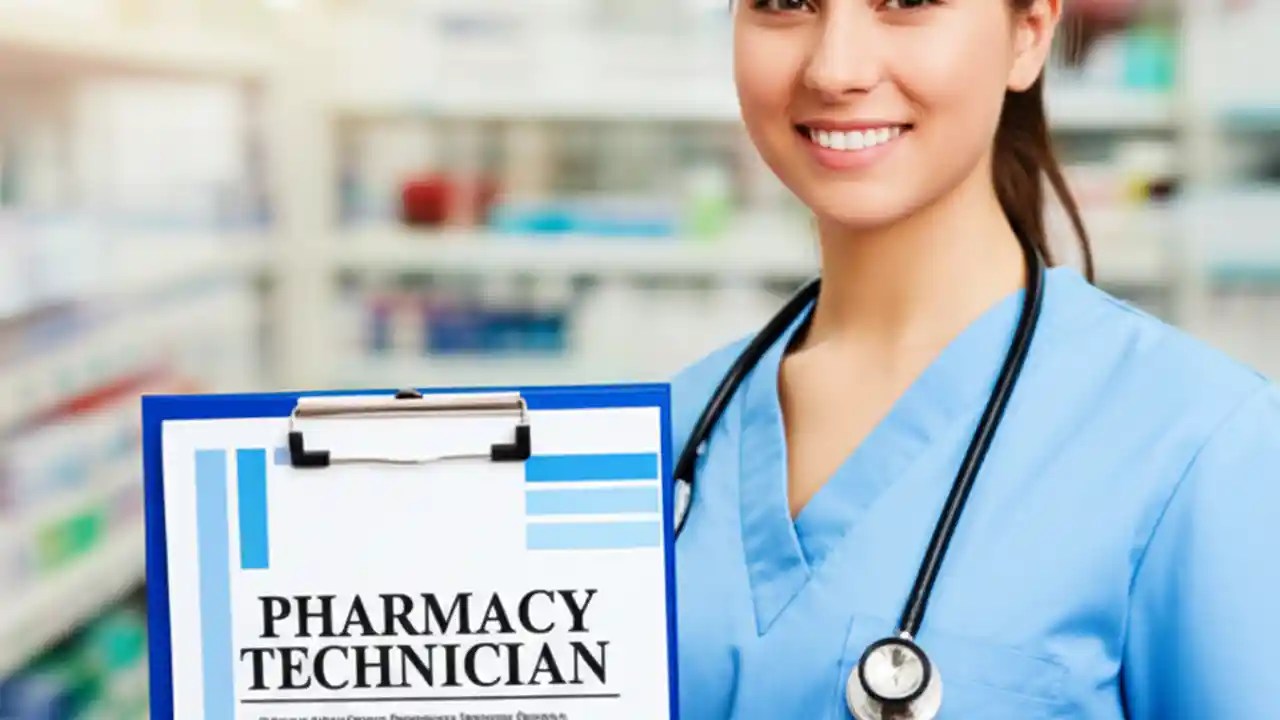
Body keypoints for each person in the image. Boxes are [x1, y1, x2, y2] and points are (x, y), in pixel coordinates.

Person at [670, 0, 1280, 718]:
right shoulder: (667, 430)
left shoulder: (1201, 445)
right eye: (784, 1)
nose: (835, 68)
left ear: (1029, 33)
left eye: (906, 2)